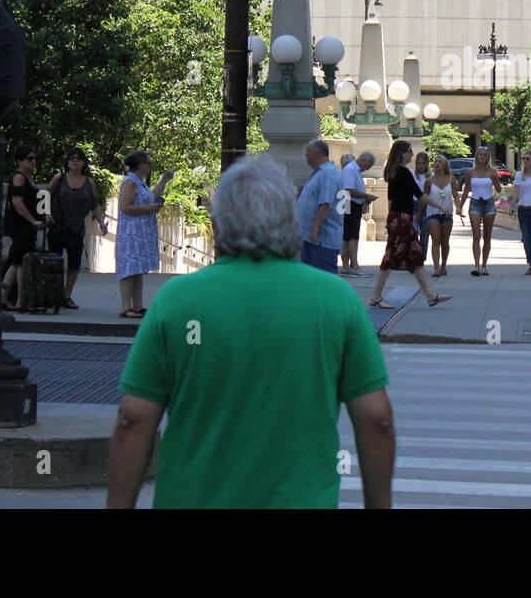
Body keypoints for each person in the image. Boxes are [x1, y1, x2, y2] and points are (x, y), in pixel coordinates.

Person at [107, 153, 395, 509]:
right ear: (291, 223)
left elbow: (134, 420)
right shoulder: (336, 301)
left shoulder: (176, 302)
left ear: (217, 225)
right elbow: (377, 420)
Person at [368, 141, 452, 309]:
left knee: (416, 256)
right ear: (402, 154)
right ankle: (376, 296)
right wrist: (441, 206)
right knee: (391, 256)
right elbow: (420, 195)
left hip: (398, 218)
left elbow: (391, 200)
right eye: (409, 152)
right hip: (402, 219)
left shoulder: (393, 172)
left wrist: (390, 220)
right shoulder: (403, 172)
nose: (412, 155)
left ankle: (430, 296)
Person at [45, 147, 109, 309]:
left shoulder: (88, 182)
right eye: (72, 158)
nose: (75, 161)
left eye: (78, 158)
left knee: (74, 264)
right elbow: (44, 195)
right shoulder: (59, 178)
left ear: (83, 163)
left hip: (76, 228)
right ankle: (54, 294)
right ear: (67, 162)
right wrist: (46, 212)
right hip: (57, 226)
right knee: (55, 263)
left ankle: (66, 296)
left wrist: (101, 222)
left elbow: (94, 204)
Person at [115, 150, 173, 319]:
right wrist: (149, 209)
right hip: (130, 234)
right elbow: (125, 207)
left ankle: (138, 306)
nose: (149, 165)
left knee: (137, 270)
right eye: (147, 162)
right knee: (128, 269)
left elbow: (152, 197)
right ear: (140, 164)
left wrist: (164, 180)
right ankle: (126, 307)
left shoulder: (140, 182)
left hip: (140, 233)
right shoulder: (129, 183)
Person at [2, 145, 45, 310]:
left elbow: (39, 198)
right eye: (29, 158)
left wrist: (43, 215)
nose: (33, 161)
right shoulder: (19, 177)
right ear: (19, 161)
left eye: (34, 158)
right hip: (20, 226)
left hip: (25, 226)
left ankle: (3, 298)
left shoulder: (28, 178)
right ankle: (21, 301)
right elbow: (17, 202)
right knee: (20, 263)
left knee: (16, 263)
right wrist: (32, 220)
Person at [296, 139, 343, 274]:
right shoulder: (320, 172)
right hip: (312, 239)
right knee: (311, 279)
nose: (306, 156)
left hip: (322, 240)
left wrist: (315, 229)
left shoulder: (328, 173)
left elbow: (325, 204)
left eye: (307, 153)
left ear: (316, 153)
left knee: (324, 279)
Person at [458, 146, 498, 276]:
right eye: (480, 154)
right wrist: (460, 206)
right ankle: (476, 266)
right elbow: (466, 190)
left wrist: (496, 180)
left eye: (485, 155)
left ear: (488, 157)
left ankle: (484, 265)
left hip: (489, 203)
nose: (482, 157)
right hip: (475, 203)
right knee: (476, 235)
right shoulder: (470, 172)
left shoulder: (492, 171)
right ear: (476, 157)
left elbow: (498, 190)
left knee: (487, 235)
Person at [340, 151, 377, 277]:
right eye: (369, 165)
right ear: (364, 161)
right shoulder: (351, 169)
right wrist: (366, 196)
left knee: (348, 236)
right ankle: (354, 265)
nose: (368, 168)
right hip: (349, 203)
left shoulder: (353, 170)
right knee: (352, 237)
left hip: (350, 203)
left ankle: (347, 265)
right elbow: (349, 189)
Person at [422, 155, 455, 277]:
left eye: (440, 162)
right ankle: (436, 268)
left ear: (445, 165)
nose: (437, 163)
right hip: (432, 213)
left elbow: (455, 195)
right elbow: (424, 198)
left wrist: (459, 207)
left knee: (445, 242)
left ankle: (443, 265)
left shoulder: (451, 179)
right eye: (436, 162)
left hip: (447, 214)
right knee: (435, 240)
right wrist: (419, 215)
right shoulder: (429, 181)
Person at [412, 149, 431, 262]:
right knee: (413, 233)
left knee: (424, 234)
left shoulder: (431, 176)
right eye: (419, 163)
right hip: (413, 205)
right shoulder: (412, 175)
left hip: (426, 206)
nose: (421, 166)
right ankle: (413, 258)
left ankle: (421, 258)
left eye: (423, 163)